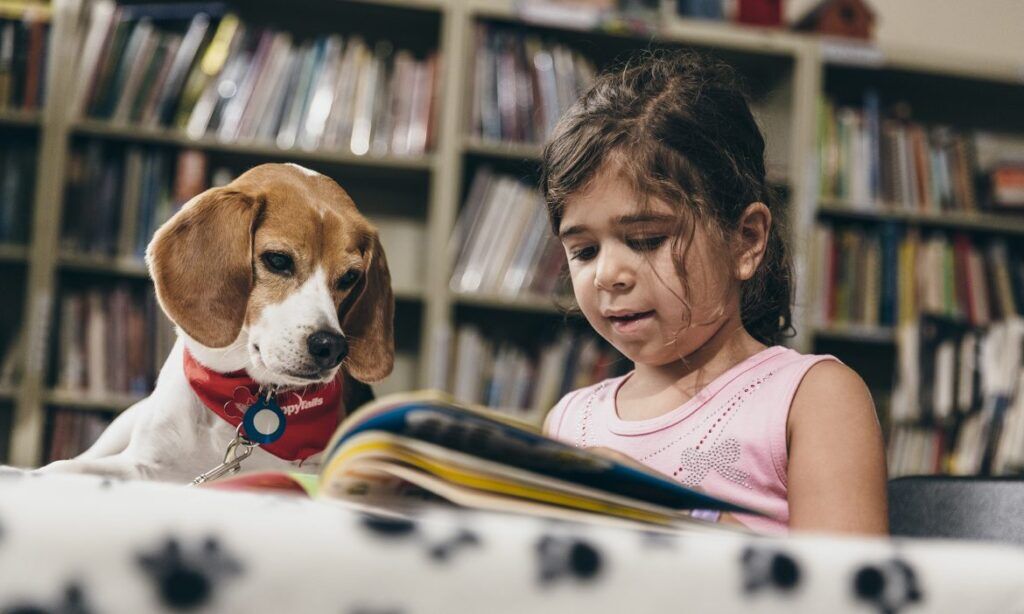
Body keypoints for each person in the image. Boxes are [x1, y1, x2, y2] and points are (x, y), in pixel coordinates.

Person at [540, 50, 887, 535]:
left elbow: (850, 594)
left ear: (746, 240)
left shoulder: (811, 397)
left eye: (647, 240)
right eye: (584, 251)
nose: (607, 274)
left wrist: (669, 510)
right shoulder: (569, 421)